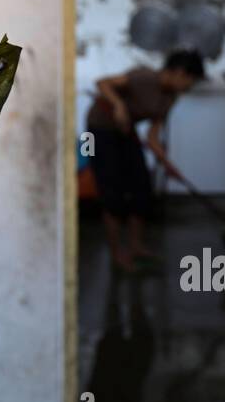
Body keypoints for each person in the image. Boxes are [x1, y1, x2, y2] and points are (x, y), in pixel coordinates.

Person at [86, 50, 205, 271]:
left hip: (125, 130)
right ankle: (117, 255)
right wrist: (119, 105)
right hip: (99, 129)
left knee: (141, 187)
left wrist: (166, 162)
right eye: (190, 80)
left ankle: (136, 247)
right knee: (111, 192)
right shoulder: (144, 77)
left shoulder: (171, 98)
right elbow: (101, 83)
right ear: (179, 73)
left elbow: (152, 137)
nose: (189, 87)